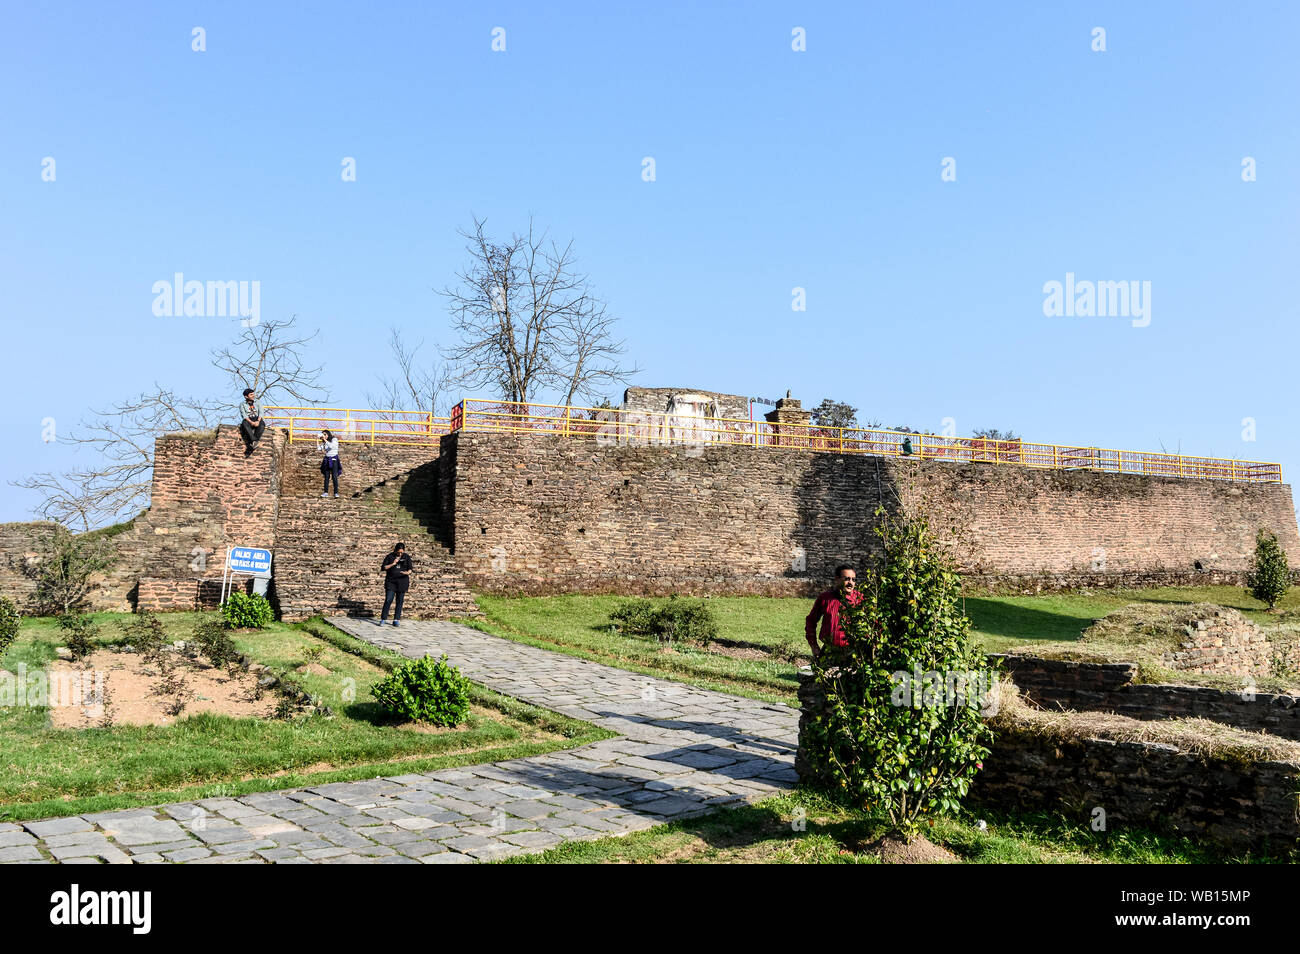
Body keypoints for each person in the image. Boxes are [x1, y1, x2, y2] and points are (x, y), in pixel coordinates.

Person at [804, 564, 863, 660]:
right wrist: (814, 646)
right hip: (829, 652)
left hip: (854, 654)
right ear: (837, 579)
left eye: (853, 579)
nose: (851, 583)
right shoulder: (825, 598)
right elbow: (811, 621)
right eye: (847, 579)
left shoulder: (861, 600)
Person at [378, 542, 413, 626]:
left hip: (402, 582)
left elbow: (410, 569)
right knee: (388, 600)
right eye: (398, 552)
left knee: (400, 601)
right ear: (395, 550)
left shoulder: (406, 557)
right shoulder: (390, 556)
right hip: (391, 582)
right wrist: (393, 564)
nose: (400, 554)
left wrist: (407, 573)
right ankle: (383, 618)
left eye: (401, 552)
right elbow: (384, 567)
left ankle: (396, 619)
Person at [239, 388, 265, 456]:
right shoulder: (242, 404)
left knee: (262, 425)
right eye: (251, 394)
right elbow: (244, 415)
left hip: (257, 418)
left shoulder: (258, 402)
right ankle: (254, 441)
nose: (253, 395)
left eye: (253, 394)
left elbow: (261, 413)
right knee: (244, 423)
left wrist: (258, 421)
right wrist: (251, 422)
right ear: (246, 396)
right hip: (248, 419)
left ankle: (251, 447)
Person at [318, 429, 341, 498]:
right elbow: (319, 448)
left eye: (325, 434)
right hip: (327, 459)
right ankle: (325, 492)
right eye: (323, 435)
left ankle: (336, 493)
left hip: (334, 459)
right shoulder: (325, 442)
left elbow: (331, 446)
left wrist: (325, 440)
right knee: (326, 477)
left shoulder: (334, 439)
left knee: (334, 476)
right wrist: (317, 440)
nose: (324, 436)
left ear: (328, 434)